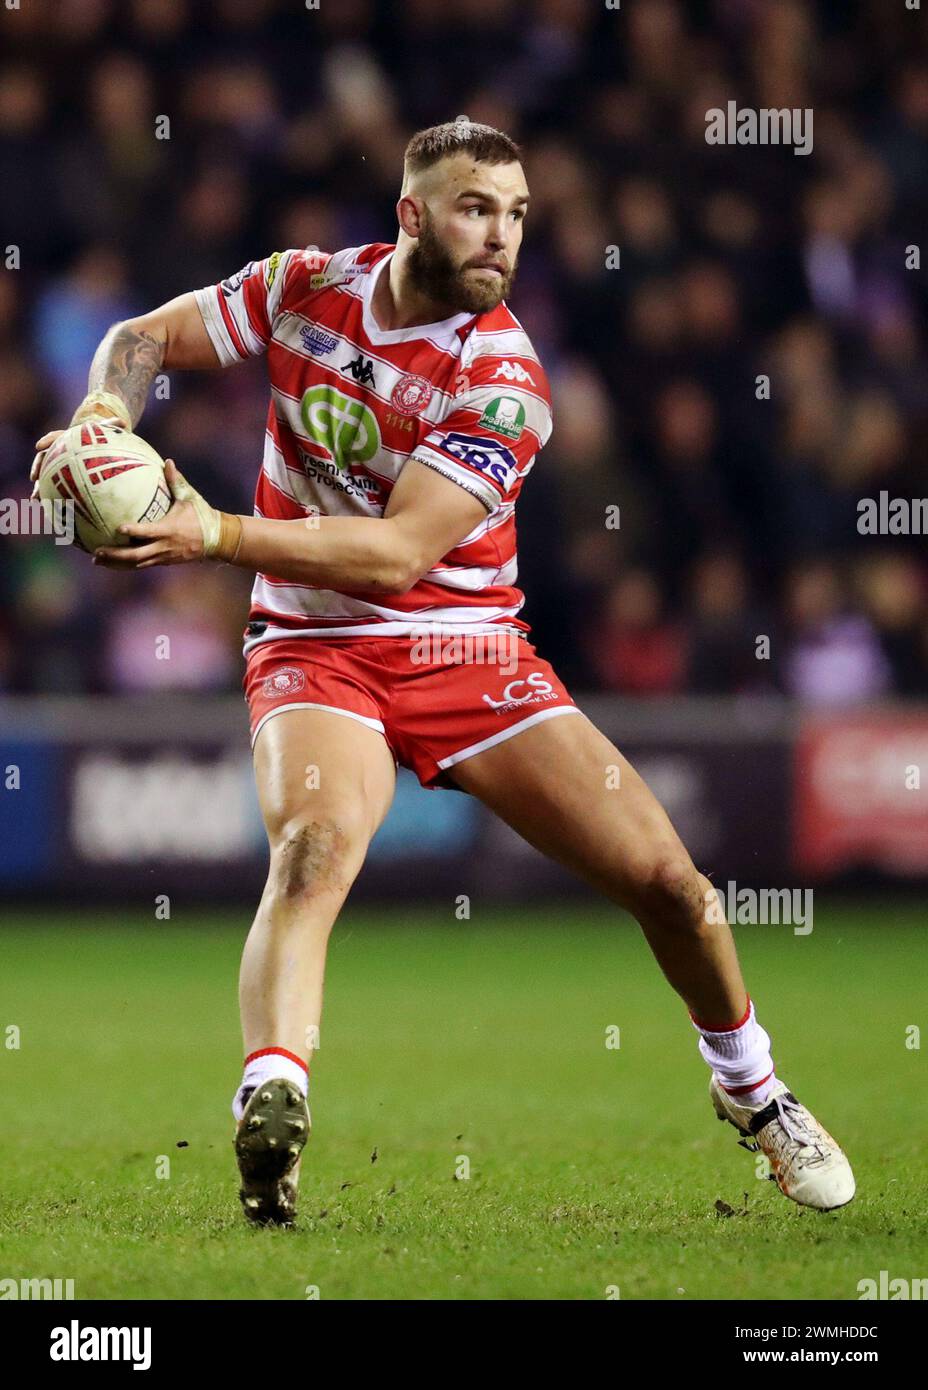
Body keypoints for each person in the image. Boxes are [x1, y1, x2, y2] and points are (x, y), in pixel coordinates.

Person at [31, 119, 854, 1226]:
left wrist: (210, 533)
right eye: (477, 208)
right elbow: (139, 337)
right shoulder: (301, 287)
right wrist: (100, 420)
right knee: (312, 848)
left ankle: (754, 1091)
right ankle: (274, 1090)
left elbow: (397, 555)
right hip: (314, 646)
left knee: (675, 890)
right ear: (411, 214)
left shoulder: (504, 379)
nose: (501, 236)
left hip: (468, 651)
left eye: (517, 216)